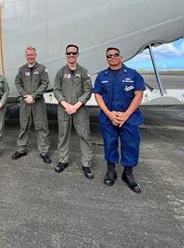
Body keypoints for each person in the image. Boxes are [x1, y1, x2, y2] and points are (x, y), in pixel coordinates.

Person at [93, 47, 145, 193]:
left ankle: (128, 174)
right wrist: (109, 114)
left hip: (129, 118)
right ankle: (111, 171)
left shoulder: (133, 75)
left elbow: (138, 95)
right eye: (109, 56)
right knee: (110, 144)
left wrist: (126, 114)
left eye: (115, 55)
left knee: (131, 145)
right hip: (108, 118)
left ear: (121, 57)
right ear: (107, 59)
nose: (112, 57)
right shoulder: (102, 75)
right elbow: (97, 95)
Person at [53, 44, 94, 178]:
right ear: (66, 55)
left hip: (79, 109)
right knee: (63, 135)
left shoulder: (83, 72)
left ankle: (86, 164)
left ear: (77, 54)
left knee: (84, 135)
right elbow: (56, 90)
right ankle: (63, 160)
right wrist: (66, 105)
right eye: (69, 53)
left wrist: (75, 106)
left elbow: (88, 91)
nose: (71, 55)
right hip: (64, 108)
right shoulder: (60, 72)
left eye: (74, 53)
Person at [11, 46, 51, 164]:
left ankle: (44, 151)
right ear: (26, 56)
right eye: (28, 55)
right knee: (24, 125)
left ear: (35, 55)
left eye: (32, 54)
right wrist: (25, 96)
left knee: (41, 126)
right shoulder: (21, 69)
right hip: (25, 102)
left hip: (38, 102)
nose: (30, 57)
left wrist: (33, 96)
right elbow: (18, 83)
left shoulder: (42, 68)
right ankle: (22, 149)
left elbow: (45, 83)